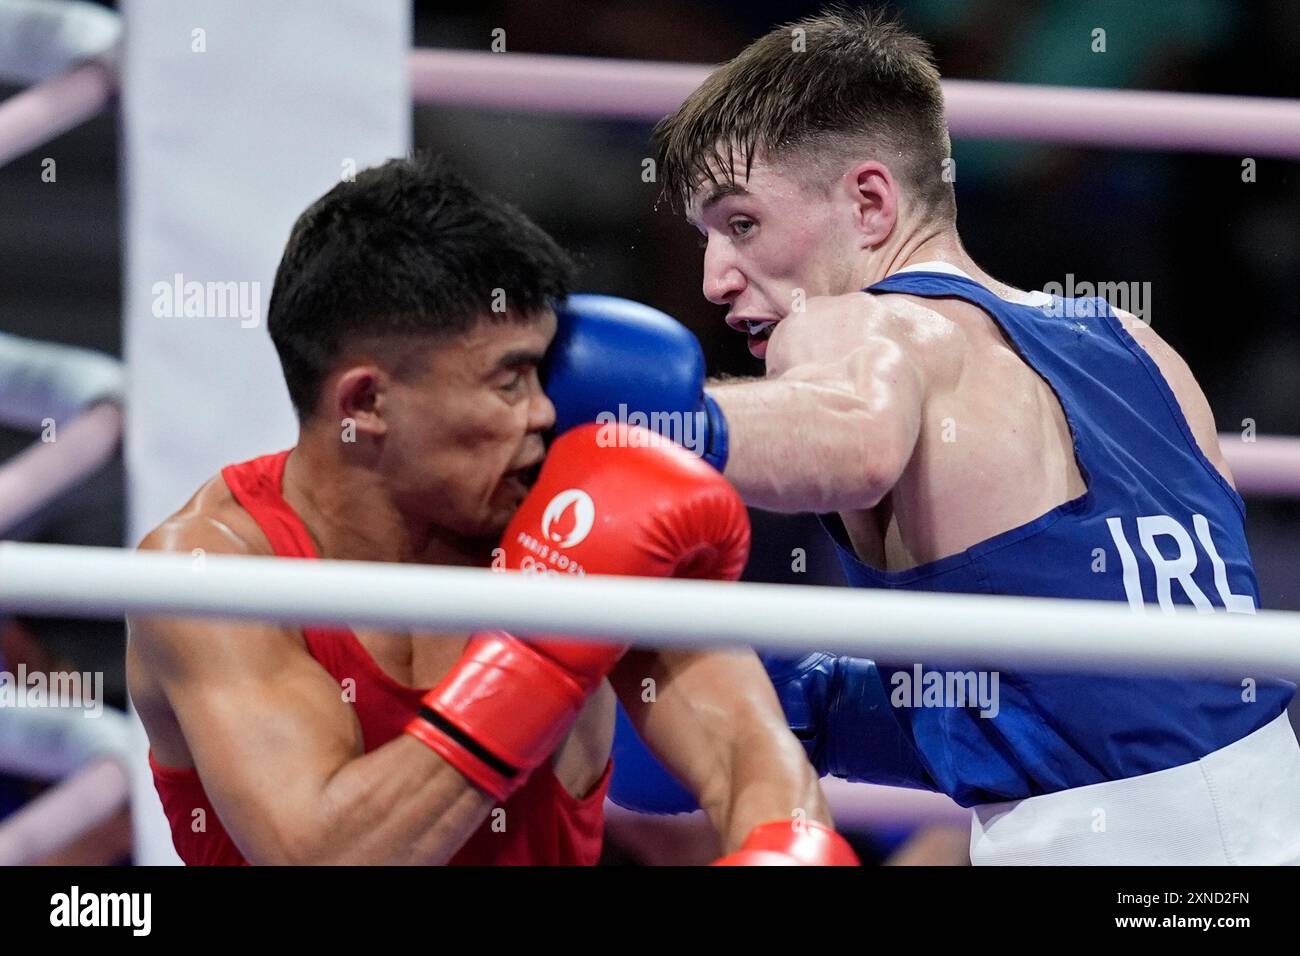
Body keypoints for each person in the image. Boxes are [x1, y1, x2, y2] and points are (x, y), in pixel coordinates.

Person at [545, 8, 1300, 864]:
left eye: (742, 223)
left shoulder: (861, 325)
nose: (717, 277)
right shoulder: (1135, 343)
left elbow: (852, 437)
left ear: (870, 201)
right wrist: (821, 711)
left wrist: (604, 429)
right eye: (706, 238)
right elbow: (1130, 686)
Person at [125, 155, 857, 866]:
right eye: (508, 382)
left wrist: (787, 847)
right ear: (366, 403)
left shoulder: (577, 510)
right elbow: (325, 852)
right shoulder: (209, 573)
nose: (544, 413)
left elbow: (747, 758)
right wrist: (540, 644)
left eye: (540, 371)